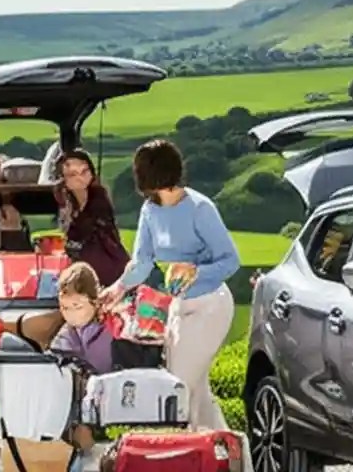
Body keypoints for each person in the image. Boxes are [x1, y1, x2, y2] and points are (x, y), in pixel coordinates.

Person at [100, 139, 240, 431]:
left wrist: (196, 271)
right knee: (197, 394)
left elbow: (231, 261)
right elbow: (142, 263)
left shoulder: (201, 208)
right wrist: (116, 290)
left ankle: (183, 454)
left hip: (210, 305)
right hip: (177, 307)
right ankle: (232, 456)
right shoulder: (150, 211)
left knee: (179, 388)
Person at [53, 148, 129, 286]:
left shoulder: (99, 202)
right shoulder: (67, 206)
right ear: (63, 179)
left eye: (84, 171)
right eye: (72, 174)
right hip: (83, 275)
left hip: (109, 272)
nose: (80, 177)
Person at [49, 262, 114, 375]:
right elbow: (54, 361)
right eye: (65, 308)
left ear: (95, 302)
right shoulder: (65, 335)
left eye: (77, 307)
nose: (71, 314)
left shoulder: (112, 329)